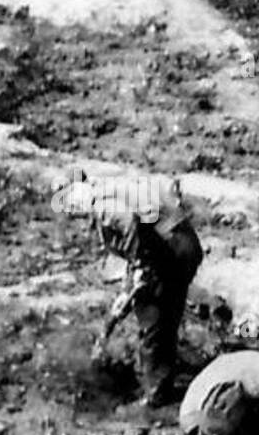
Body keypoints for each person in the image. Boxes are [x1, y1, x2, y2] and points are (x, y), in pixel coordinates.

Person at [60, 171, 202, 408]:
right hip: (183, 245)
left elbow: (131, 225)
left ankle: (154, 399)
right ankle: (161, 378)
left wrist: (139, 272)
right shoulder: (111, 187)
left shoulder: (102, 204)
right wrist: (131, 281)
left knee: (152, 320)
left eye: (70, 206)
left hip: (168, 252)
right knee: (166, 319)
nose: (73, 213)